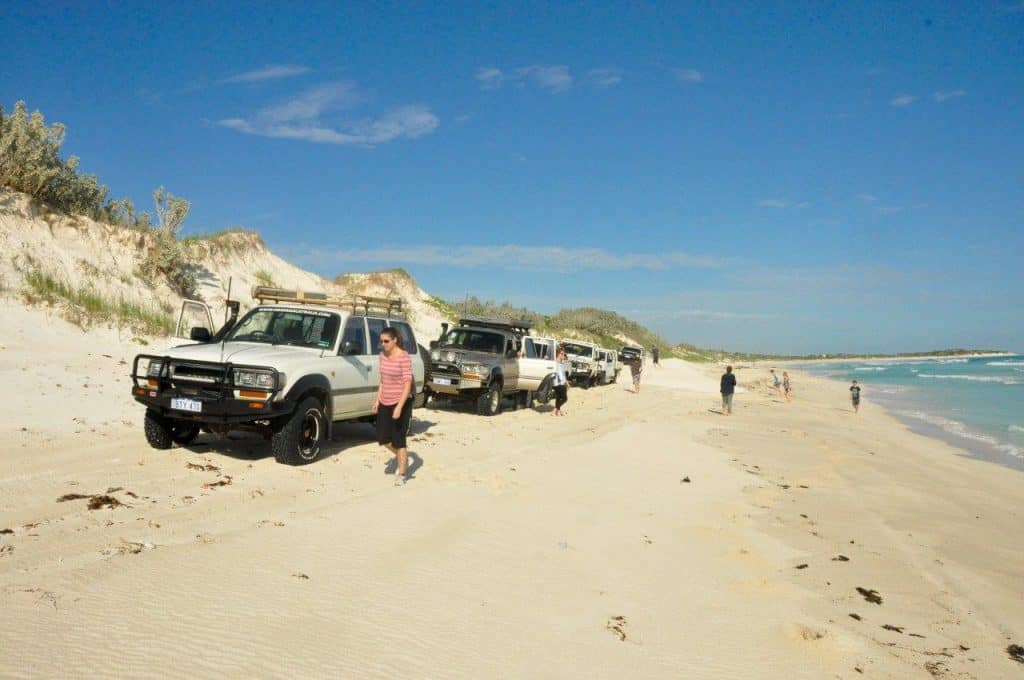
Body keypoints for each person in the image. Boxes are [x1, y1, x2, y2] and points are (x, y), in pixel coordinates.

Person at [373, 327, 413, 485]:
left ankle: (402, 474)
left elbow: (407, 384)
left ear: (395, 340)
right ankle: (404, 457)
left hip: (400, 401)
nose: (383, 344)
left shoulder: (404, 357)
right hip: (384, 400)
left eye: (386, 341)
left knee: (398, 439)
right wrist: (377, 400)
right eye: (381, 341)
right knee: (382, 438)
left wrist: (399, 407)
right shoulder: (382, 356)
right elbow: (382, 380)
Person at [552, 346, 569, 416]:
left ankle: (558, 412)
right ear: (558, 354)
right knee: (565, 398)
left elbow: (563, 374)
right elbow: (559, 374)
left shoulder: (561, 363)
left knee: (558, 398)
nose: (563, 355)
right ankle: (555, 410)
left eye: (564, 354)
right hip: (558, 383)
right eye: (562, 354)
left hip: (559, 383)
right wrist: (565, 383)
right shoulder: (556, 363)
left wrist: (566, 381)